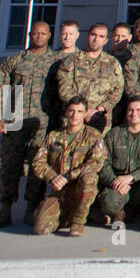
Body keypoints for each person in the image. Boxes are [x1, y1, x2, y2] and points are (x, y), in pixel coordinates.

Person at [0, 20, 62, 228]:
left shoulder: (56, 62)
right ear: (29, 35)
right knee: (10, 167)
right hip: (14, 122)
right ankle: (5, 209)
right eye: (35, 33)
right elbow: (0, 90)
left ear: (49, 36)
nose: (38, 37)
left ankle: (32, 208)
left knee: (37, 168)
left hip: (42, 123)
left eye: (43, 34)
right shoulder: (14, 60)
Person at [30, 97, 106, 236]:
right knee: (40, 228)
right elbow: (38, 162)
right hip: (59, 190)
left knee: (90, 178)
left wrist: (69, 175)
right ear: (66, 112)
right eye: (71, 111)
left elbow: (96, 162)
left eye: (79, 111)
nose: (75, 115)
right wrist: (52, 177)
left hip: (81, 188)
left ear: (85, 114)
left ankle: (77, 222)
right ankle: (65, 215)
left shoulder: (93, 136)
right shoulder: (53, 136)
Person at [95, 96, 140, 231]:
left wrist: (132, 177)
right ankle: (119, 214)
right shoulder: (113, 134)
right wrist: (114, 181)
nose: (134, 114)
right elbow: (103, 162)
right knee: (108, 202)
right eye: (131, 110)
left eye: (139, 110)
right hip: (119, 184)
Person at [55, 22, 124, 132]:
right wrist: (83, 111)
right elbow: (64, 88)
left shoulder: (112, 63)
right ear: (88, 36)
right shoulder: (70, 60)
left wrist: (100, 109)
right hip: (73, 118)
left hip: (100, 119)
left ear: (106, 41)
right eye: (93, 35)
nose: (96, 39)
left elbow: (118, 90)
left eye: (101, 36)